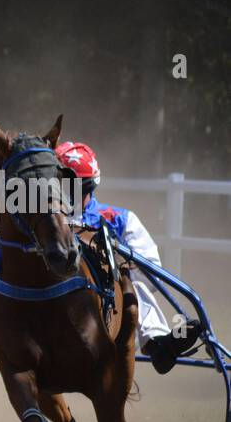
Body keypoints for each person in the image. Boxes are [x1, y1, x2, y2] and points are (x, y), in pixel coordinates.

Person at [55, 141, 201, 373]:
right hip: (54, 299)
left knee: (133, 283)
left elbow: (152, 270)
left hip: (104, 303)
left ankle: (157, 344)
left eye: (70, 187)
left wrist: (121, 265)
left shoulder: (119, 219)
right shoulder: (43, 222)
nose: (64, 194)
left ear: (88, 187)